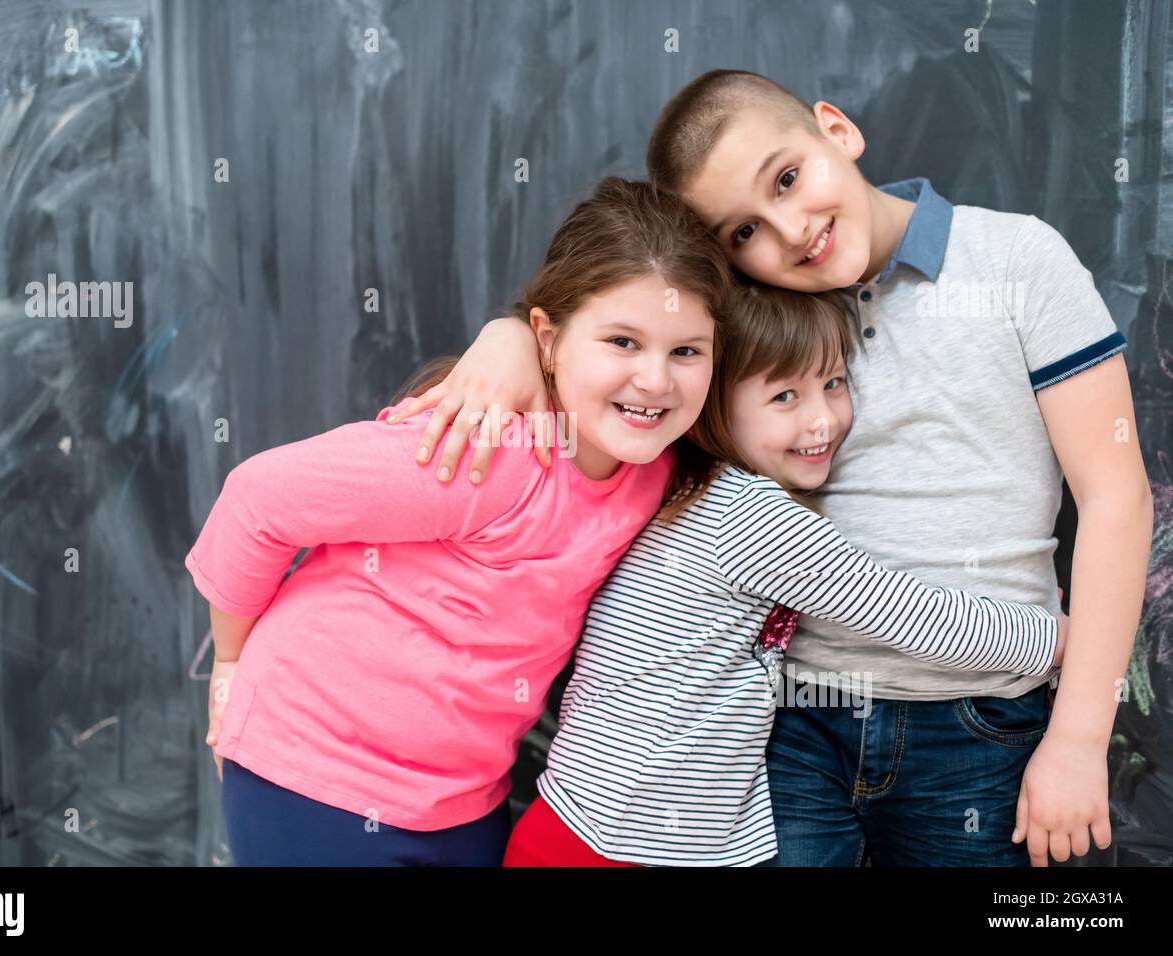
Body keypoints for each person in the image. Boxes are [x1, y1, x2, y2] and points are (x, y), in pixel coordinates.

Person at [387, 70, 1153, 866]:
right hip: (786, 727)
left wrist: (1082, 733)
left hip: (978, 719)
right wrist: (509, 336)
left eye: (788, 178)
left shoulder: (1015, 258)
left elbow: (1116, 496)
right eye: (742, 232)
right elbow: (612, 324)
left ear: (837, 130)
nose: (788, 231)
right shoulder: (741, 316)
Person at [185, 176, 735, 865]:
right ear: (549, 336)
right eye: (623, 342)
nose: (656, 379)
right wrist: (230, 662)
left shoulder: (658, 474)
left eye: (686, 351)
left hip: (462, 799)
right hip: (312, 773)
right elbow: (257, 499)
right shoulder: (485, 450)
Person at [501, 283, 1067, 866]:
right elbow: (910, 614)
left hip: (586, 821)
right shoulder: (752, 516)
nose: (822, 419)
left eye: (834, 383)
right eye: (784, 397)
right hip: (622, 846)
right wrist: (1054, 637)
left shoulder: (689, 484)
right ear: (716, 405)